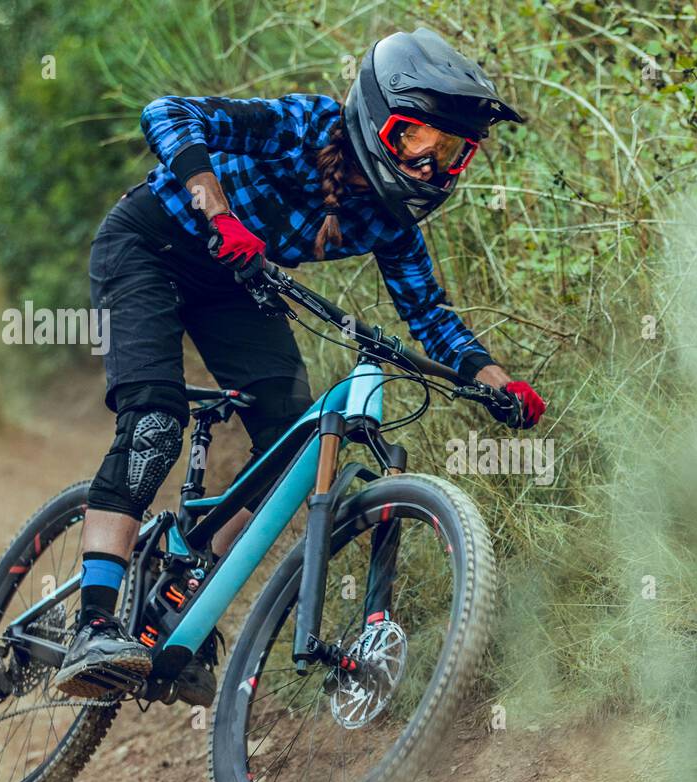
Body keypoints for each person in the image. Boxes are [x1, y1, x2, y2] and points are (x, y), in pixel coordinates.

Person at [52, 27, 544, 705]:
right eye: (415, 140)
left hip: (236, 284)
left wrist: (496, 383)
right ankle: (93, 624)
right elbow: (167, 113)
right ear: (376, 120)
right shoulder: (308, 126)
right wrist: (219, 211)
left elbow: (429, 314)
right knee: (155, 424)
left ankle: (180, 588)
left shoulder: (392, 223)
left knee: (290, 445)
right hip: (149, 246)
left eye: (450, 151)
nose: (429, 165)